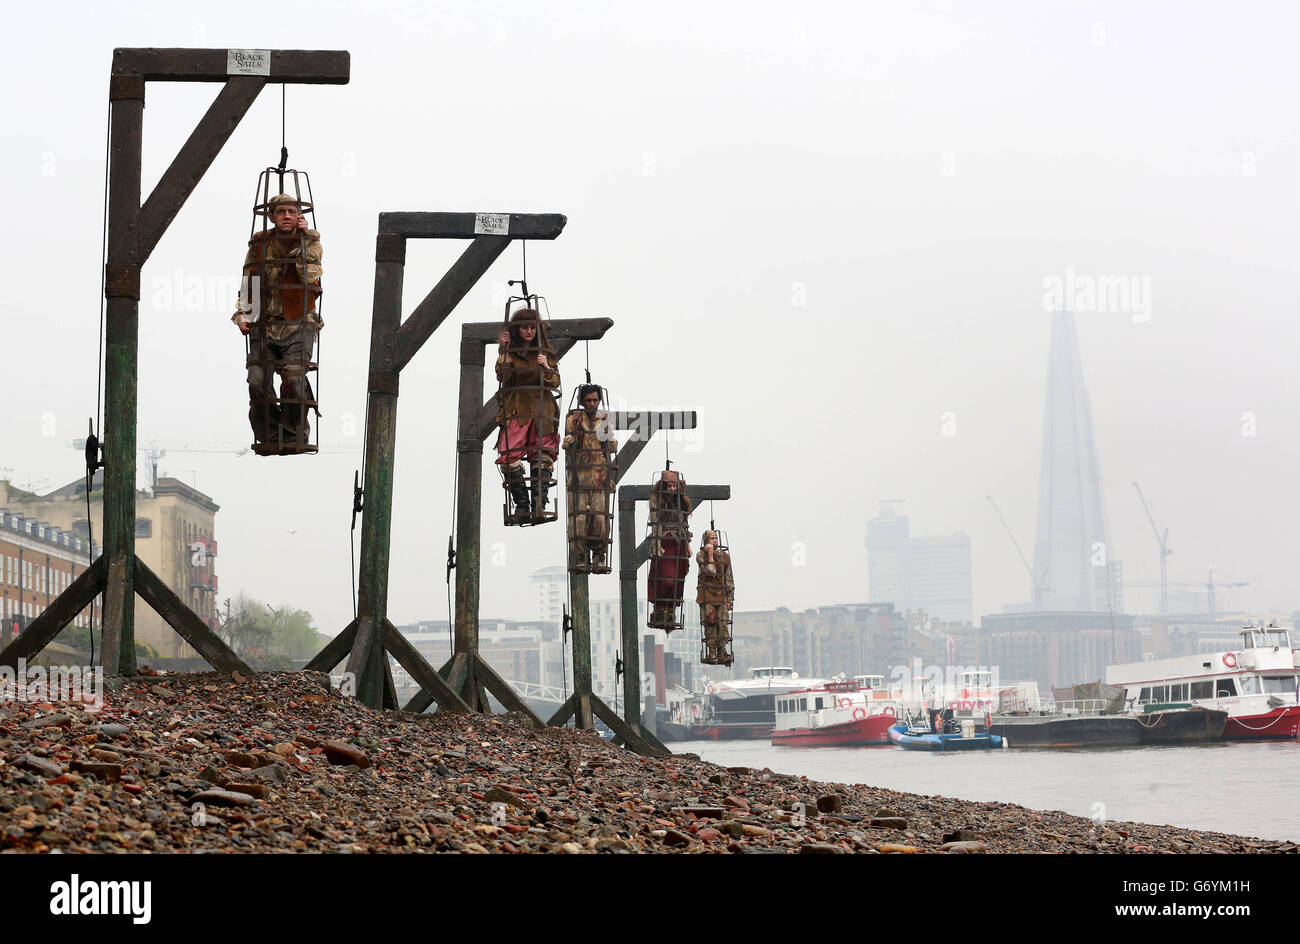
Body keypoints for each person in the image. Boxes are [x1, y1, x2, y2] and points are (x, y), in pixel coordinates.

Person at [233, 193, 322, 448]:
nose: (286, 216)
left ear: (298, 216)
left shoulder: (312, 241)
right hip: (266, 324)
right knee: (257, 381)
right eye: (281, 212)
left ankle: (293, 434)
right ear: (271, 216)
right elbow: (250, 282)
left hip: (297, 323)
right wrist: (243, 314)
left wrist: (304, 241)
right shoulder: (260, 245)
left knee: (293, 382)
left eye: (291, 212)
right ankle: (270, 434)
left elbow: (308, 275)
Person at [495, 308, 560, 520]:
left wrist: (547, 367)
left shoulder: (545, 352)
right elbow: (503, 375)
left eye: (533, 327)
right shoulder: (510, 353)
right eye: (525, 327)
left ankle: (538, 502)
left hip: (542, 408)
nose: (529, 331)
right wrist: (503, 351)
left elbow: (555, 381)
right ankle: (522, 504)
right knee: (508, 455)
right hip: (517, 408)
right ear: (517, 329)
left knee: (542, 455)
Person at [562, 384, 617, 569]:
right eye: (588, 401)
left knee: (600, 518)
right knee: (579, 519)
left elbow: (612, 447)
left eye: (594, 400)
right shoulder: (574, 419)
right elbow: (568, 447)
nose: (592, 404)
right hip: (579, 478)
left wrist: (607, 428)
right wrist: (575, 427)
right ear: (582, 402)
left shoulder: (604, 421)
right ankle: (580, 555)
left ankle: (599, 554)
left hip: (599, 478)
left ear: (599, 401)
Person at [647, 470, 692, 630]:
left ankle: (670, 610)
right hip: (664, 542)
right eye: (670, 486)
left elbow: (685, 526)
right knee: (664, 578)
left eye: (675, 486)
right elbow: (655, 522)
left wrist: (687, 545)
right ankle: (659, 611)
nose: (672, 489)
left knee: (675, 579)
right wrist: (656, 543)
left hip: (677, 543)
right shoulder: (657, 501)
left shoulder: (682, 502)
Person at [696, 529, 734, 665]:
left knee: (723, 622)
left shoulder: (725, 557)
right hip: (706, 596)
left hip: (721, 595)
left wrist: (730, 598)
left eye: (716, 538)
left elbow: (729, 578)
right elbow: (710, 571)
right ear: (706, 541)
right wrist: (710, 554)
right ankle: (712, 651)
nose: (715, 541)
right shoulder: (701, 555)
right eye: (711, 539)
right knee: (710, 622)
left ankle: (722, 650)